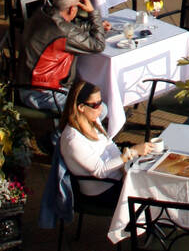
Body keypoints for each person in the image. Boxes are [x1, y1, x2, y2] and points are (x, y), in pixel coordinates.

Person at [59, 80, 156, 208]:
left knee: (152, 180)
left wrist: (124, 167)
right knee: (151, 194)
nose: (101, 108)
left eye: (100, 102)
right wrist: (131, 153)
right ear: (81, 107)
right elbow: (100, 171)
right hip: (101, 192)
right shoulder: (73, 140)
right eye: (95, 105)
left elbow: (109, 145)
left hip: (116, 179)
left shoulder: (93, 120)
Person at [16, 0, 109, 111]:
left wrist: (93, 26)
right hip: (42, 93)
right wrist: (93, 13)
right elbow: (98, 45)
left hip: (25, 85)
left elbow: (67, 28)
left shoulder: (43, 12)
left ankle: (70, 127)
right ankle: (63, 131)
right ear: (72, 9)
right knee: (99, 110)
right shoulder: (63, 31)